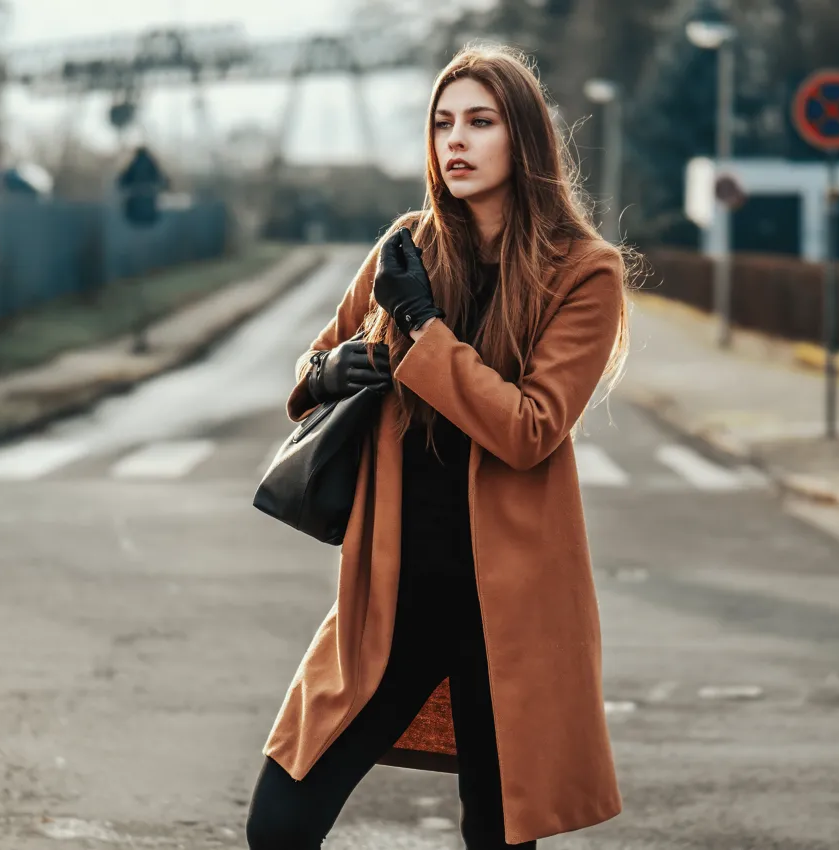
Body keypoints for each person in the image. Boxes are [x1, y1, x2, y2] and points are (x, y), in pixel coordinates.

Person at [246, 43, 635, 849]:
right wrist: (327, 371)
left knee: (497, 833)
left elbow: (529, 430)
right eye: (443, 123)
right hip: (390, 597)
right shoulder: (408, 244)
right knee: (278, 824)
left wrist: (421, 327)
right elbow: (312, 365)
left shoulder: (583, 272)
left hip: (510, 615)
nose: (455, 140)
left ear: (524, 139)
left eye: (480, 122)